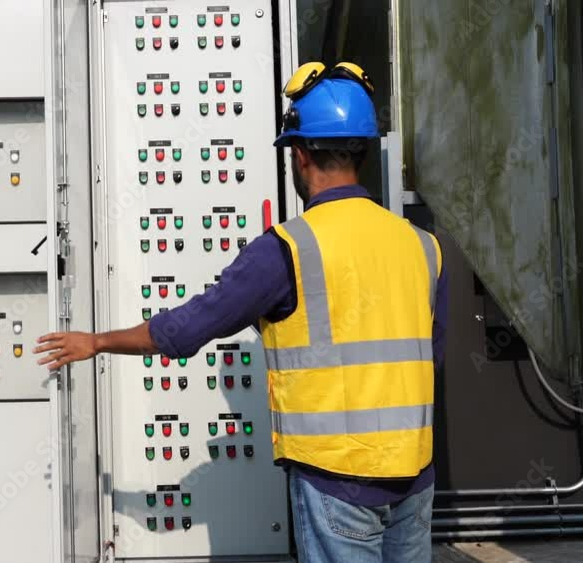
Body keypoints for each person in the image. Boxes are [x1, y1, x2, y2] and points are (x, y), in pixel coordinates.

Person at [34, 62, 447, 563]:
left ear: (299, 155)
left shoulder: (287, 250)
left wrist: (96, 342)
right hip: (416, 478)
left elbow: (189, 328)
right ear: (361, 149)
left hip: (338, 483)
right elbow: (433, 356)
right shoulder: (422, 245)